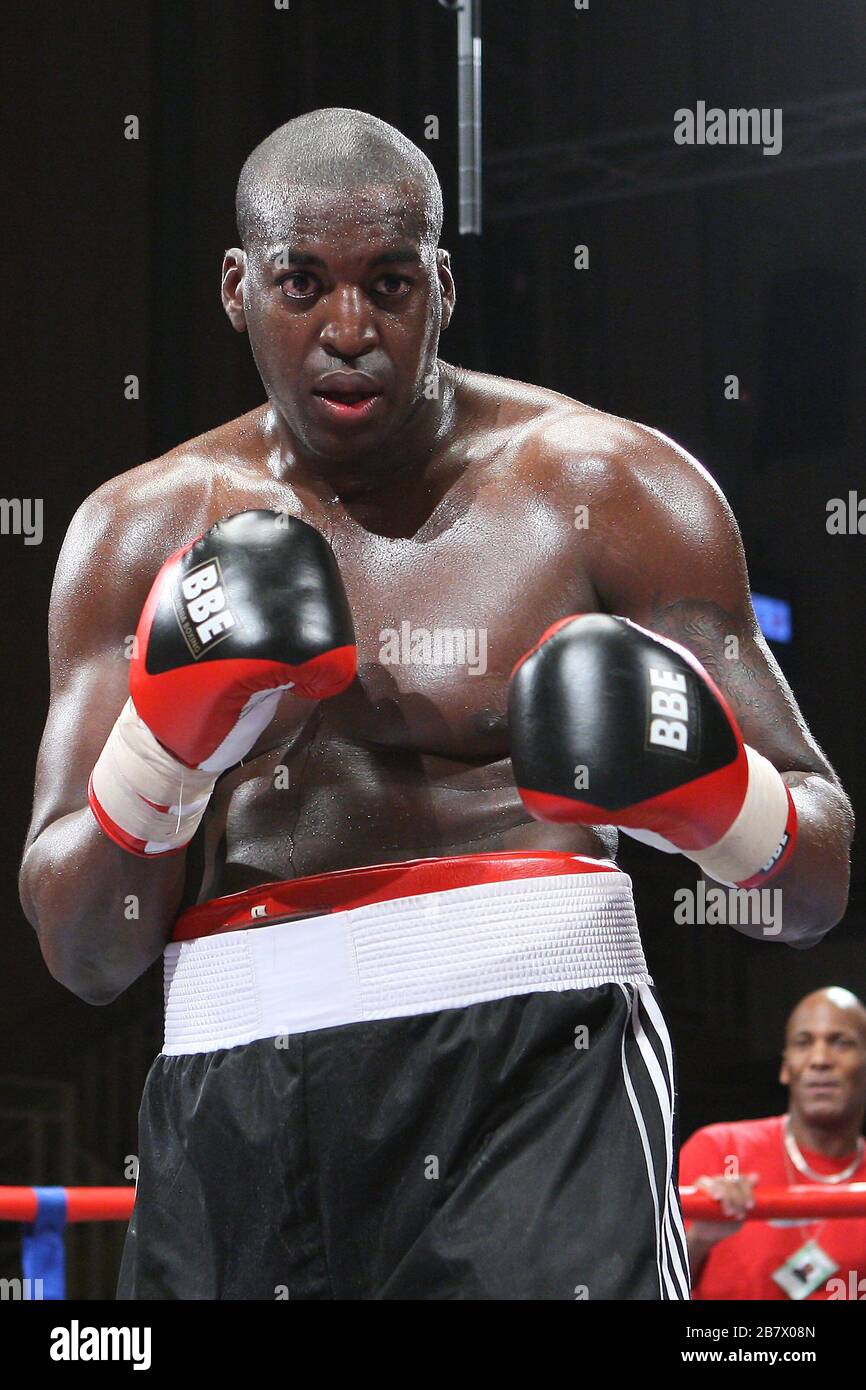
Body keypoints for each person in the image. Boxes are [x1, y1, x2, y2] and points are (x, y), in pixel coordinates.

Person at [19, 109, 853, 1300]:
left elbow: (811, 887)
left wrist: (719, 797)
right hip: (236, 1086)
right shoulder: (137, 530)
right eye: (302, 283)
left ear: (444, 288)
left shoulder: (610, 486)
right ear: (235, 286)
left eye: (389, 283)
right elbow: (84, 951)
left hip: (540, 1074)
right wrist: (164, 751)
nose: (348, 331)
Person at [681, 987, 866, 1300]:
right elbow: (640, 1282)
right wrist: (700, 1237)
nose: (820, 1060)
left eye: (841, 1042)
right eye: (803, 1043)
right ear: (785, 1067)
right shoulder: (720, 1149)